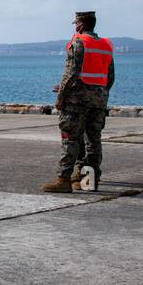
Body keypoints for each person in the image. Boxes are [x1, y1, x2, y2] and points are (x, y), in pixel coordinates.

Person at [43, 11, 114, 193]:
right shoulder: (106, 45)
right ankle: (88, 181)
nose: (75, 27)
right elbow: (110, 77)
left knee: (70, 138)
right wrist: (98, 93)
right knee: (93, 140)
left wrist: (61, 97)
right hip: (99, 100)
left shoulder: (79, 42)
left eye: (76, 23)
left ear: (81, 24)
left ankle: (64, 179)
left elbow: (71, 73)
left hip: (77, 101)